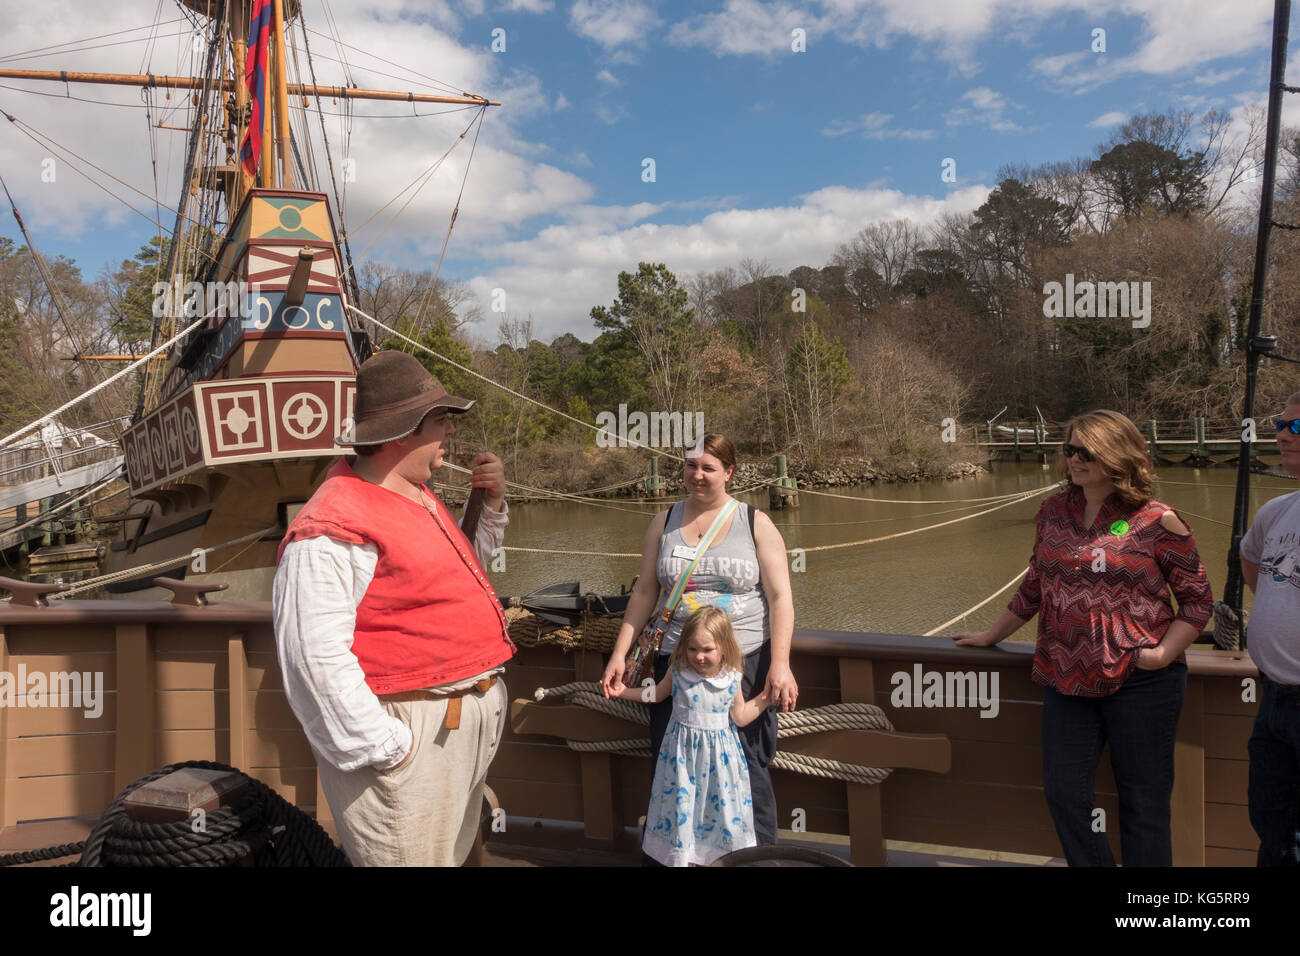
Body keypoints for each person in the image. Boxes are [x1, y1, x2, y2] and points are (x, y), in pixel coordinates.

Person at [272, 350, 515, 866]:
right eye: (440, 420)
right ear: (403, 432)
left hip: (450, 734)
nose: (450, 431)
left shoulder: (413, 495)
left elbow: (452, 579)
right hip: (410, 743)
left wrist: (490, 507)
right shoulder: (333, 523)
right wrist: (389, 750)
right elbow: (310, 658)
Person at [954, 409, 1213, 866]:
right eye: (1070, 449)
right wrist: (991, 634)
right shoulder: (1053, 512)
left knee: (1144, 807)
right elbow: (1036, 584)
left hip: (1142, 682)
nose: (1075, 460)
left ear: (1118, 456)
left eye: (1087, 452)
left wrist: (1161, 655)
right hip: (1064, 677)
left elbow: (1197, 601)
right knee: (1064, 795)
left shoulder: (1157, 520)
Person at [599, 433, 797, 854]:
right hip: (677, 662)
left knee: (749, 767)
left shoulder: (754, 521)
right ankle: (679, 858)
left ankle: (757, 860)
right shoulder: (664, 521)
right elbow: (644, 593)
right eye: (691, 466)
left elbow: (781, 598)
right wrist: (620, 655)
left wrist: (780, 664)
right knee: (676, 767)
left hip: (744, 663)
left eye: (709, 467)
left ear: (729, 472)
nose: (698, 475)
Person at [610, 605, 772, 865]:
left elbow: (740, 716)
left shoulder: (731, 678)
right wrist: (624, 692)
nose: (699, 657)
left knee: (719, 816)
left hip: (720, 766)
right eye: (693, 648)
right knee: (682, 811)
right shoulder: (678, 672)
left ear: (724, 647)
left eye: (708, 650)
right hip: (681, 764)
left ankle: (721, 859)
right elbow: (656, 695)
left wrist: (766, 699)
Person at [1240, 390, 1300, 866]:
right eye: (1280, 424)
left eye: (1296, 427)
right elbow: (1251, 559)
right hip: (1273, 699)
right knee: (1271, 824)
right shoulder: (1275, 511)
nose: (1282, 434)